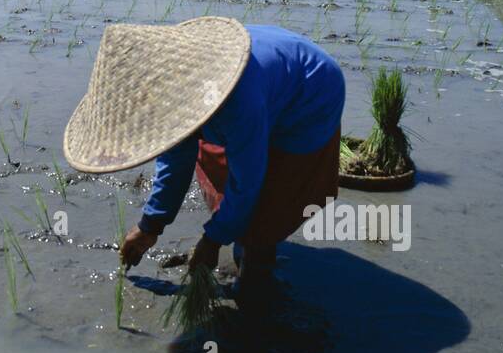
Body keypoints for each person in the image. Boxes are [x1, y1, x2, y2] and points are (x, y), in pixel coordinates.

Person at [63, 16, 345, 321]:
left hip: (311, 95)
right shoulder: (172, 91)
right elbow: (176, 156)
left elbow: (248, 181)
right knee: (223, 169)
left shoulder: (237, 102)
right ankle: (242, 239)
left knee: (269, 202)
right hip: (266, 87)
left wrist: (212, 241)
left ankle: (256, 280)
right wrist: (150, 225)